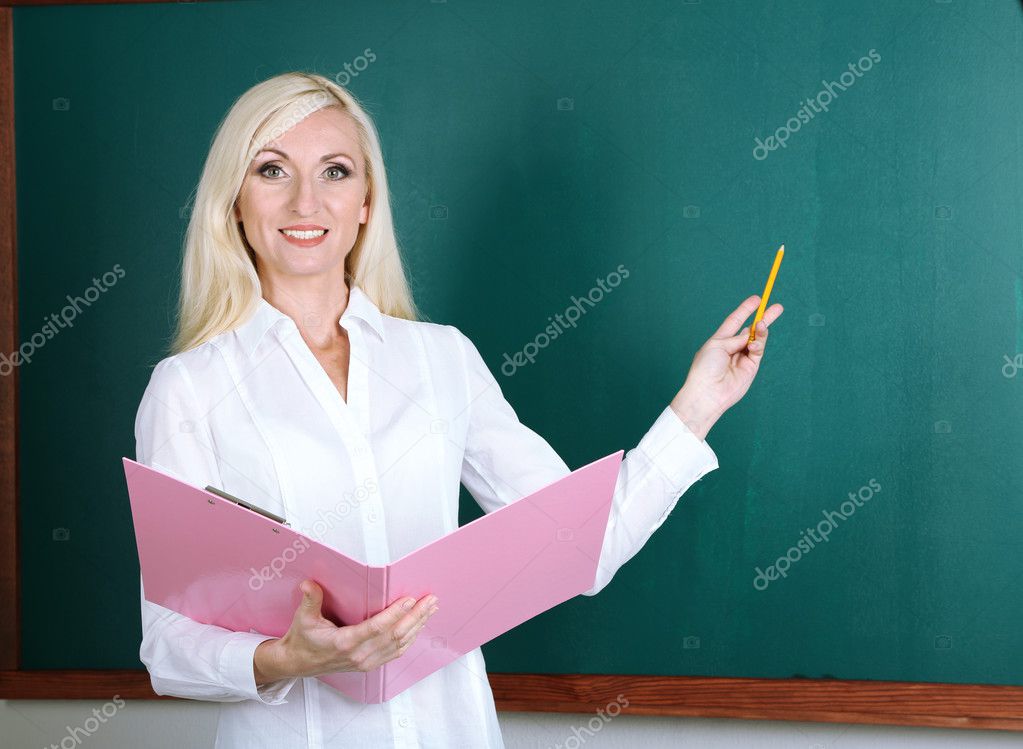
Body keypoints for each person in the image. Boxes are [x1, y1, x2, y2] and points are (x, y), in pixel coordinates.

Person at [134, 71, 782, 749]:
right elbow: (169, 646)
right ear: (235, 200)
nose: (306, 200)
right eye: (272, 170)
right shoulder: (188, 388)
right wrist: (286, 658)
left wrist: (700, 402)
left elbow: (581, 549)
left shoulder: (440, 359)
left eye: (334, 170)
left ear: (365, 202)